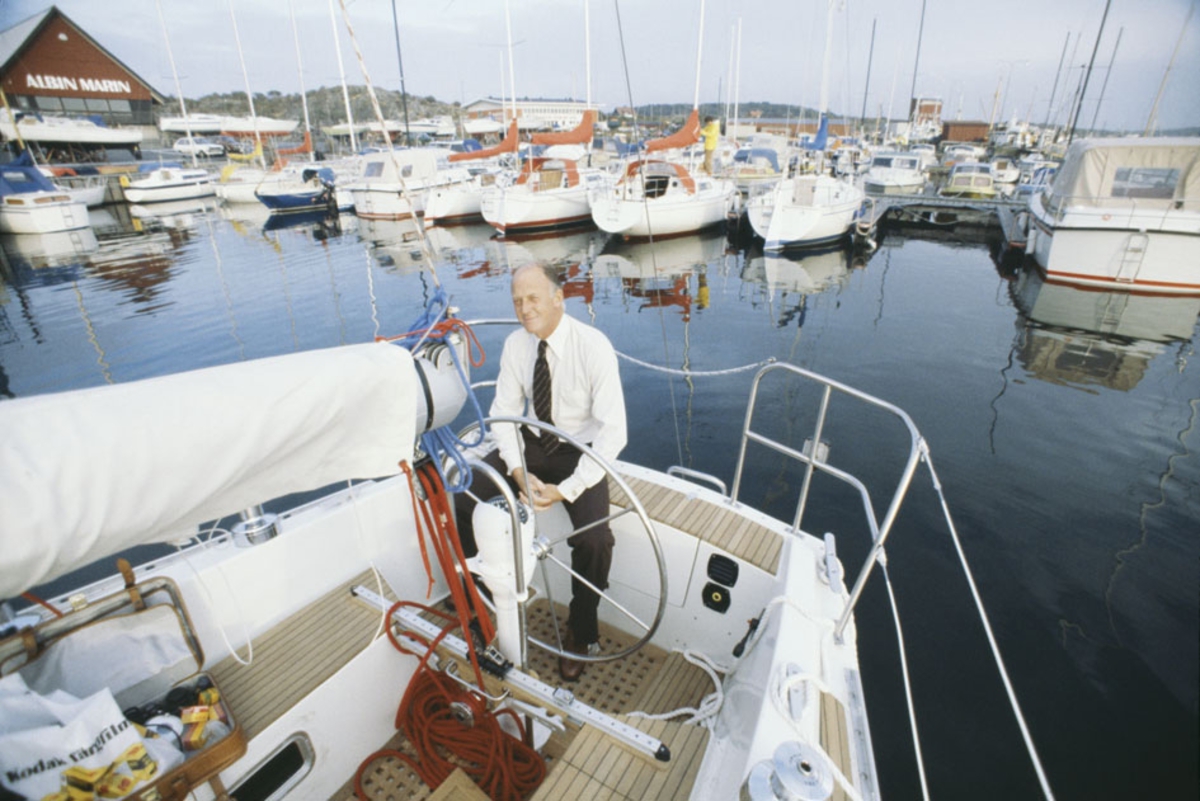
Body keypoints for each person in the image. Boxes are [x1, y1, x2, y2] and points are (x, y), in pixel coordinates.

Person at [454, 263, 627, 682]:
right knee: (465, 496)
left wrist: (566, 490)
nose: (524, 309)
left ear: (558, 299)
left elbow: (614, 433)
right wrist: (517, 473)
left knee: (595, 540)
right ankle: (479, 605)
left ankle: (581, 632)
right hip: (531, 445)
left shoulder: (593, 347)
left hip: (579, 452)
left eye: (533, 299)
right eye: (517, 301)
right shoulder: (516, 345)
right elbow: (504, 414)